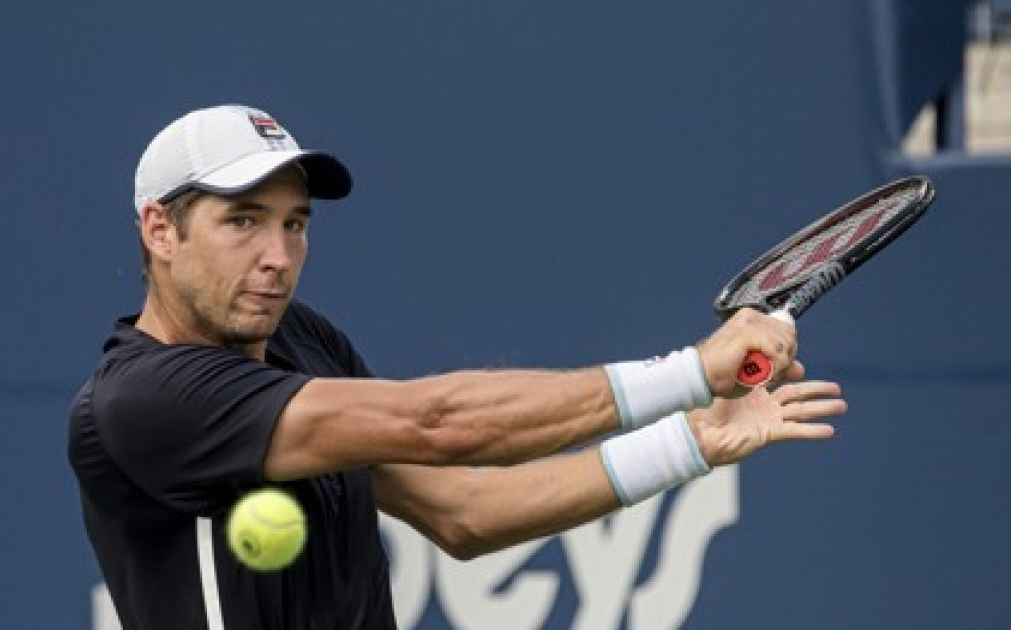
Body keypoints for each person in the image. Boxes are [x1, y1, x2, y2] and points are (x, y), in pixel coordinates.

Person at [68, 104, 847, 630]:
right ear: (159, 231)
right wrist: (688, 371)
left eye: (295, 223)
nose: (278, 257)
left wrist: (692, 441)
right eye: (243, 221)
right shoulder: (144, 400)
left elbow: (463, 512)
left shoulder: (300, 339)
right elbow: (438, 425)